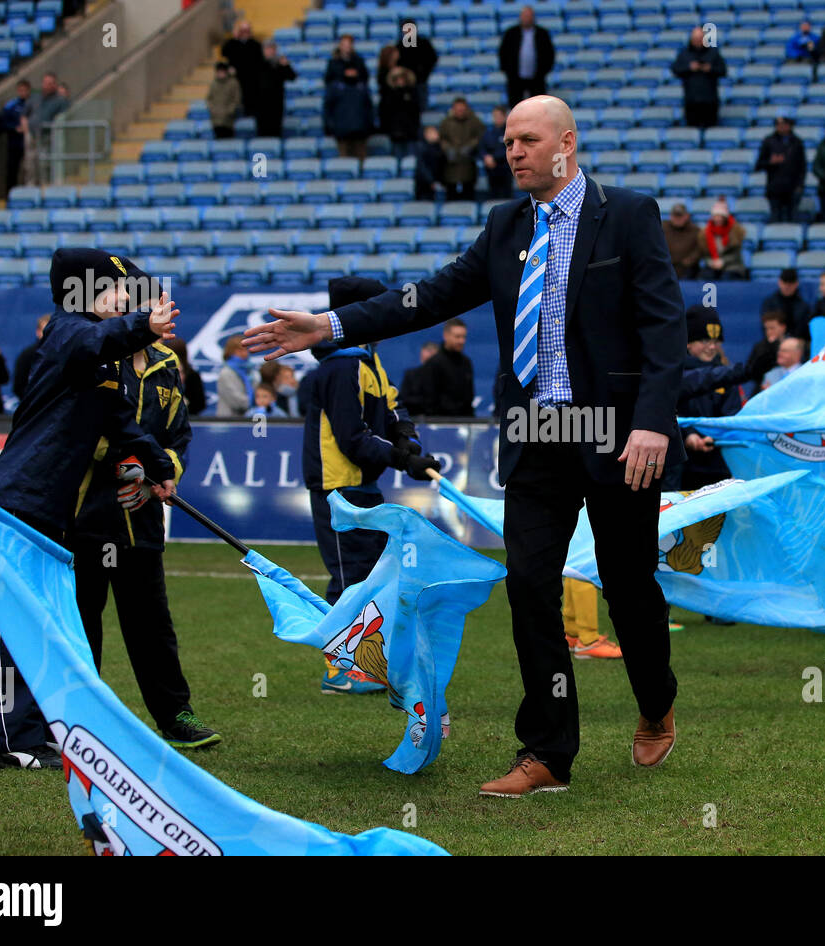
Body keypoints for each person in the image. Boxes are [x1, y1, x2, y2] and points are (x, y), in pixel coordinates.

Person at [243, 95, 687, 796]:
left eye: (527, 140)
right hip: (538, 434)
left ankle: (655, 702)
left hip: (616, 432)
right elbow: (428, 297)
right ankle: (546, 752)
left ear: (566, 144)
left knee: (630, 588)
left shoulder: (628, 214)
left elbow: (665, 328)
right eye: (507, 140)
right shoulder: (505, 225)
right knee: (530, 587)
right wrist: (331, 325)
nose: (512, 151)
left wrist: (653, 421)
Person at [0, 248, 179, 769]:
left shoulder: (97, 359)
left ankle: (39, 731)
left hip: (52, 512)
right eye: (118, 292)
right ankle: (12, 741)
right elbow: (101, 336)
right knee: (8, 624)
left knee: (43, 622)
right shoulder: (68, 332)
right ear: (82, 293)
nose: (125, 301)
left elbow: (120, 423)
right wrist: (143, 325)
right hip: (18, 504)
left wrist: (160, 467)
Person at [69, 304, 220, 750]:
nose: (163, 317)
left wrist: (163, 473)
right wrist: (123, 465)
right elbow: (80, 426)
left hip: (144, 519)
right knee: (82, 618)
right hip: (89, 513)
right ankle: (79, 716)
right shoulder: (97, 357)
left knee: (152, 623)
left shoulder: (167, 364)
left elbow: (179, 436)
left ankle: (175, 715)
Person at [301, 276, 440, 693]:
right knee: (349, 576)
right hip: (338, 487)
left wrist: (409, 444)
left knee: (371, 575)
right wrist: (401, 459)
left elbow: (395, 410)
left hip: (362, 485)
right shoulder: (342, 367)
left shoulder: (367, 360)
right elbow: (352, 436)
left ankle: (365, 661)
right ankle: (339, 670)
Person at [670, 305, 775, 491]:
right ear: (688, 342)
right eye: (704, 340)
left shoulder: (727, 376)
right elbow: (670, 413)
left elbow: (732, 414)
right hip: (681, 470)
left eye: (716, 341)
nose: (711, 347)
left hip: (718, 466)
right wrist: (688, 436)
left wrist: (715, 435)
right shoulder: (673, 375)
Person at [324, 35, 373, 160]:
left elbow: (368, 103)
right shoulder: (333, 64)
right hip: (342, 126)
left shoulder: (359, 63)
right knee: (344, 159)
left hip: (360, 125)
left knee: (361, 157)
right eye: (344, 44)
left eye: (349, 44)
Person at [498, 6, 555, 106]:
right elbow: (503, 53)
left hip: (537, 79)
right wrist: (507, 71)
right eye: (524, 16)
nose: (526, 18)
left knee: (538, 106)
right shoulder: (511, 33)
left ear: (533, 17)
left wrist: (544, 71)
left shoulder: (542, 33)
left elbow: (549, 54)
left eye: (529, 16)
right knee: (515, 105)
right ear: (520, 17)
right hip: (515, 79)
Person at [671, 27, 727, 129]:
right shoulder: (684, 54)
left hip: (710, 100)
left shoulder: (713, 54)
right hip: (691, 100)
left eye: (700, 38)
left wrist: (710, 69)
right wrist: (689, 67)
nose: (698, 41)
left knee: (711, 129)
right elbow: (675, 69)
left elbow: (723, 71)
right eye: (695, 38)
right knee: (691, 129)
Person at [755, 116, 805, 223]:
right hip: (775, 188)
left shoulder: (797, 143)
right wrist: (770, 162)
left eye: (784, 124)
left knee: (792, 219)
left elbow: (802, 167)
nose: (781, 127)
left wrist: (800, 186)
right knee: (775, 219)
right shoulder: (768, 141)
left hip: (792, 188)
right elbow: (759, 164)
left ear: (790, 125)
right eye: (778, 124)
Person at [423, 318, 476, 417]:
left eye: (464, 337)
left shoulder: (466, 363)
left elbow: (469, 397)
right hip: (440, 423)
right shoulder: (434, 363)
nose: (461, 341)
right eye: (457, 337)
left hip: (465, 423)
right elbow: (429, 401)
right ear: (446, 336)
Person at [439, 98, 485, 201]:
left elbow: (481, 136)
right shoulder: (446, 122)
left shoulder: (474, 121)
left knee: (468, 194)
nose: (460, 112)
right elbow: (442, 139)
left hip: (468, 164)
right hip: (450, 165)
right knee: (450, 195)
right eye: (458, 109)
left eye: (462, 109)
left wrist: (471, 146)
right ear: (453, 109)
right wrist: (447, 149)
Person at [377, 55, 420, 161]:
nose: (400, 81)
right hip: (395, 131)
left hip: (410, 131)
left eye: (402, 78)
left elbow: (416, 111)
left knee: (411, 159)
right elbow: (386, 112)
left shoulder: (412, 93)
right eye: (398, 79)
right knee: (397, 158)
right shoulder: (389, 95)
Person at [220, 19, 263, 117]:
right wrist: (234, 38)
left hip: (251, 80)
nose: (245, 33)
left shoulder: (256, 45)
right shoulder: (233, 43)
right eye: (242, 31)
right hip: (236, 79)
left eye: (247, 31)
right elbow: (224, 52)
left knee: (250, 103)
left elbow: (260, 62)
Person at [254, 41, 296, 138]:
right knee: (262, 133)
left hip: (276, 104)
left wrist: (286, 65)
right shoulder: (257, 64)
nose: (270, 51)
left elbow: (292, 77)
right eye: (267, 49)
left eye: (272, 49)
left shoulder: (279, 64)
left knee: (275, 132)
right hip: (261, 105)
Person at [395, 18, 439, 112]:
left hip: (420, 83)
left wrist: (423, 73)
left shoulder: (424, 44)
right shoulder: (399, 46)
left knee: (422, 109)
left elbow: (432, 59)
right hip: (404, 85)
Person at [698, 199, 748, 279]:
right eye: (716, 216)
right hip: (713, 265)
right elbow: (704, 255)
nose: (718, 219)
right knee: (705, 276)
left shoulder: (735, 231)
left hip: (732, 266)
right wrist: (712, 263)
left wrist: (723, 261)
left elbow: (735, 255)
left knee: (727, 277)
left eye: (721, 216)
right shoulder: (705, 234)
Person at [759, 267, 812, 342]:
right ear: (779, 282)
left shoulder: (803, 306)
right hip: (773, 341)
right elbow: (766, 325)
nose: (787, 287)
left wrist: (792, 340)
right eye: (784, 283)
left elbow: (804, 328)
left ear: (796, 284)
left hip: (795, 344)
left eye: (790, 284)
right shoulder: (769, 303)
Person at [11, 313, 50, 402]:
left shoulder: (64, 355)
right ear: (38, 332)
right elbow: (18, 386)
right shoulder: (27, 356)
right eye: (45, 331)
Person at [1, 79, 32, 191]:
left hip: (30, 142)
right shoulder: (11, 105)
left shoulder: (34, 103)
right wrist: (15, 128)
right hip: (14, 142)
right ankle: (10, 193)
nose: (23, 92)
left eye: (25, 90)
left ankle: (30, 192)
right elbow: (3, 123)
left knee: (30, 169)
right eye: (20, 90)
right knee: (12, 169)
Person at [163, 337, 206, 416]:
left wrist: (185, 406)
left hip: (189, 419)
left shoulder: (193, 376)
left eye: (181, 372)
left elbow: (200, 404)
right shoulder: (161, 375)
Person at [479, 105, 512, 199]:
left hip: (505, 169)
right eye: (495, 116)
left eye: (499, 116)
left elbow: (509, 148)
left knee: (506, 196)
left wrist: (493, 158)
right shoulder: (488, 132)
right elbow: (481, 147)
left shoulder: (510, 131)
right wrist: (485, 157)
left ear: (505, 116)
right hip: (491, 170)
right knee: (493, 196)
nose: (497, 119)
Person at [662, 203, 702, 279]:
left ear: (687, 216)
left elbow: (699, 249)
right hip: (666, 266)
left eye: (680, 216)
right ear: (671, 216)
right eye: (675, 216)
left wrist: (689, 260)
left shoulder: (696, 230)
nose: (677, 219)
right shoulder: (663, 227)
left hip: (687, 267)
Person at [216, 335, 253, 417]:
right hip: (228, 422)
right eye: (239, 350)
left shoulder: (251, 372)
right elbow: (237, 402)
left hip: (249, 421)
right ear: (230, 352)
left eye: (246, 349)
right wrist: (258, 402)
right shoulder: (225, 374)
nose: (244, 353)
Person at [398, 341, 438, 415]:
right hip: (415, 417)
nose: (430, 356)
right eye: (428, 351)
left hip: (440, 418)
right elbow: (403, 399)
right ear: (421, 355)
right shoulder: (411, 375)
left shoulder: (442, 377)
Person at [206, 61, 241, 140]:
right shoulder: (213, 84)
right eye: (219, 71)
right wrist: (213, 110)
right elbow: (209, 99)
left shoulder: (233, 83)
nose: (220, 73)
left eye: (222, 71)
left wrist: (230, 111)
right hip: (216, 120)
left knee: (228, 141)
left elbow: (236, 99)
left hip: (228, 120)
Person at [414, 124, 446, 201]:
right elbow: (422, 167)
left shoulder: (440, 148)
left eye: (435, 132)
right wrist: (431, 181)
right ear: (425, 135)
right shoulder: (421, 148)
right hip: (424, 185)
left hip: (438, 183)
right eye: (431, 133)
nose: (435, 135)